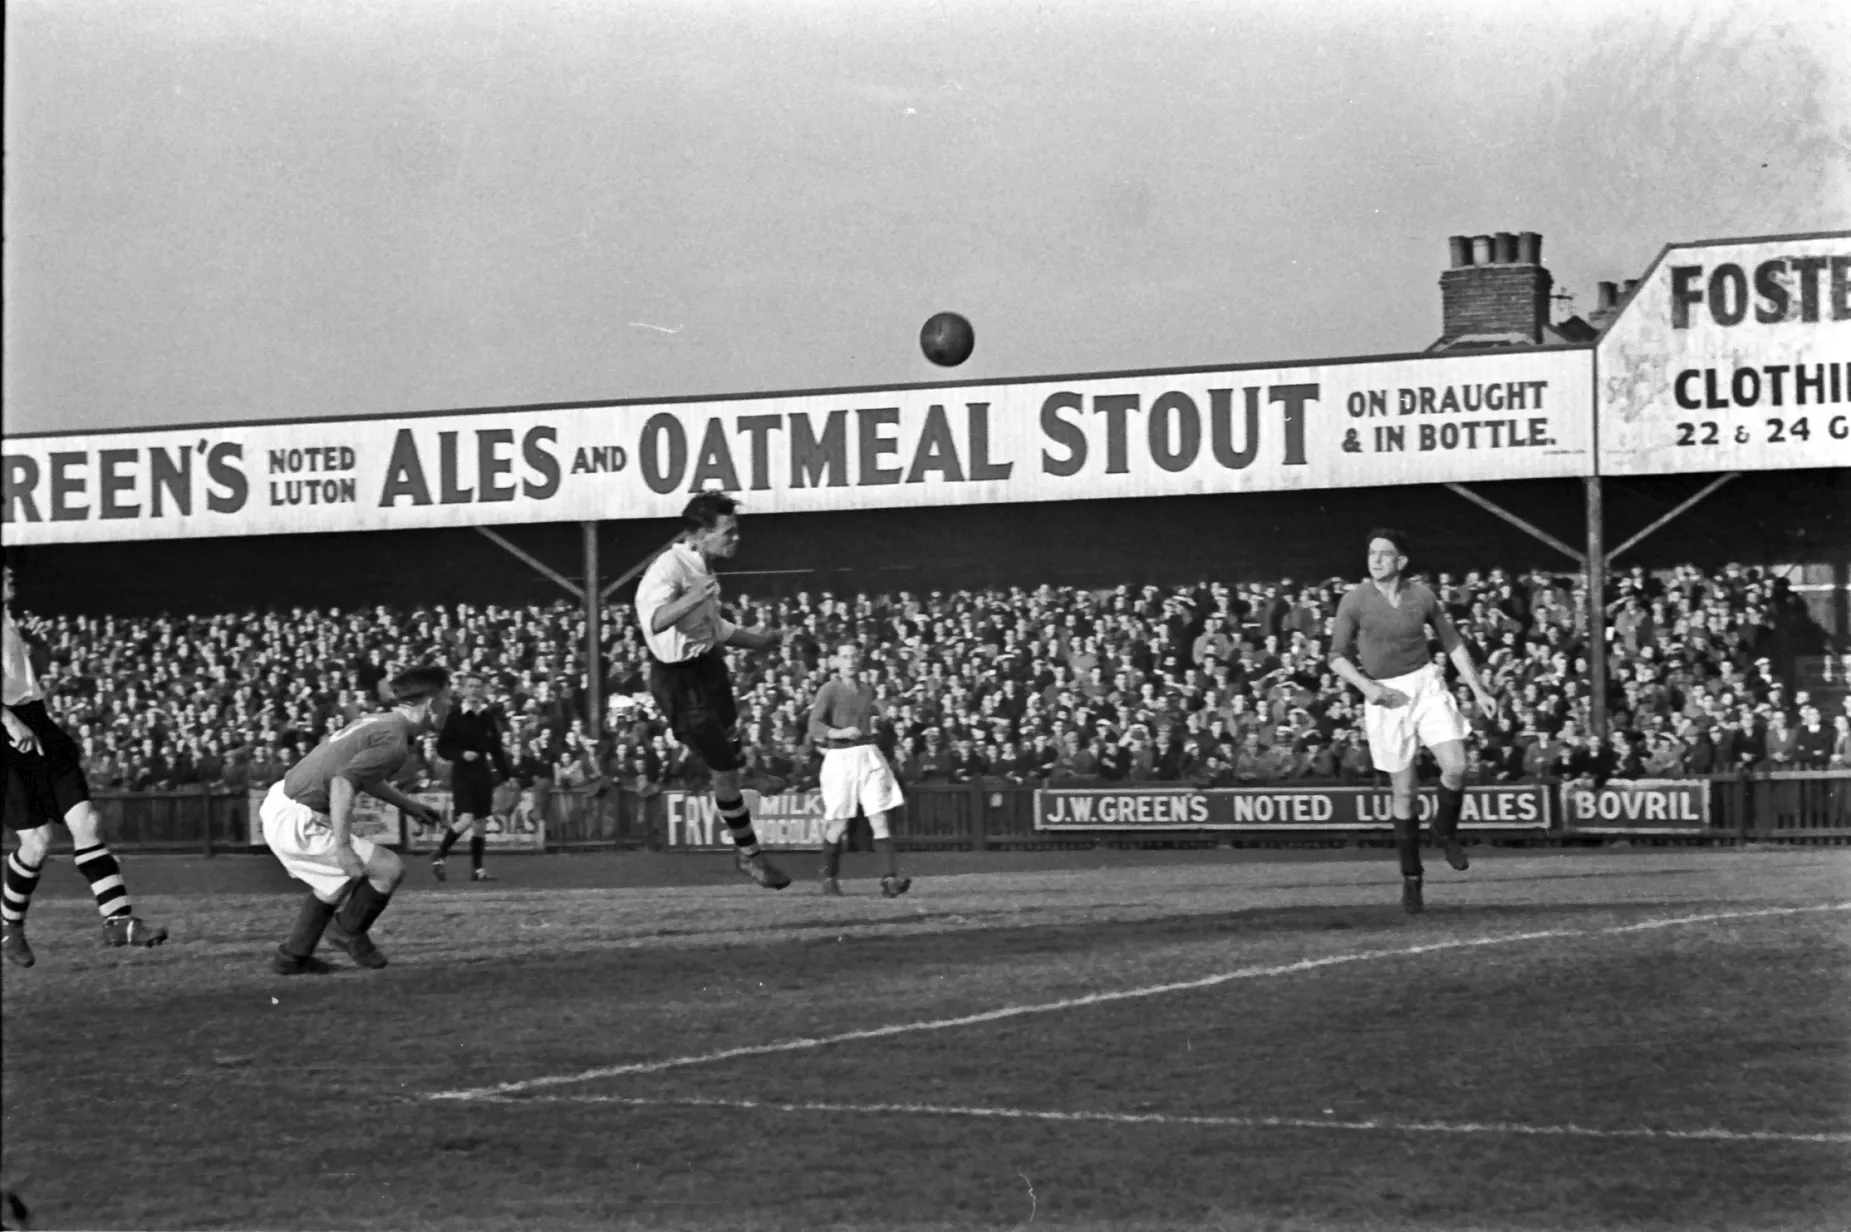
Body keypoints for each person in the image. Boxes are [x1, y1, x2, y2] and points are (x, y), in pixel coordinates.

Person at [2, 558, 167, 967]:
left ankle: (118, 921)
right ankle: (10, 928)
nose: (11, 576)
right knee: (37, 843)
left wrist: (37, 645)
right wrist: (8, 721)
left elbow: (24, 678)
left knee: (87, 822)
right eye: (3, 573)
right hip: (7, 730)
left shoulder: (8, 616)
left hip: (37, 720)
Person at [1329, 529, 1497, 914]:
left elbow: (1452, 643)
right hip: (1385, 697)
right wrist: (1367, 688)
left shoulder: (1421, 595)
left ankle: (1444, 830)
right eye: (1371, 553)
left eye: (1384, 554)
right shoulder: (1354, 601)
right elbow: (1336, 656)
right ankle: (1412, 877)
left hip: (1425, 685)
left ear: (1401, 562)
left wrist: (1479, 689)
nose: (1375, 560)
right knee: (1404, 793)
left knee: (1457, 767)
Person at [634, 491, 795, 890]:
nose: (736, 538)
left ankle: (746, 771)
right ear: (703, 533)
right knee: (722, 768)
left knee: (731, 729)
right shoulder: (668, 570)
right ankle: (750, 856)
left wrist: (757, 641)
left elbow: (716, 628)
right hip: (678, 680)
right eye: (729, 531)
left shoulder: (702, 567)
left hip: (708, 667)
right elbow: (654, 621)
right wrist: (692, 597)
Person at [258, 666, 450, 974]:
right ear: (430, 702)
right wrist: (344, 846)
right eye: (448, 699)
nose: (450, 706)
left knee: (333, 885)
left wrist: (407, 805)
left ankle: (292, 958)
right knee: (388, 869)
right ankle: (347, 930)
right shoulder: (394, 739)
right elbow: (343, 783)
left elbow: (359, 775)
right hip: (298, 815)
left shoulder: (381, 721)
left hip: (285, 802)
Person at [808, 642, 911, 898]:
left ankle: (889, 879)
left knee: (879, 817)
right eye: (845, 657)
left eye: (854, 656)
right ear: (836, 662)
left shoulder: (867, 690)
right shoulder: (829, 689)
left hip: (867, 754)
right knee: (839, 824)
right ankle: (829, 876)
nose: (850, 661)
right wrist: (839, 732)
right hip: (841, 756)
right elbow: (814, 725)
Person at [431, 673, 513, 882]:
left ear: (483, 690)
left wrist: (508, 776)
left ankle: (478, 870)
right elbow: (442, 747)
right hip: (463, 773)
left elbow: (496, 750)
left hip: (482, 772)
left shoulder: (487, 718)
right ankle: (440, 854)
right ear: (463, 690)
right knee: (466, 819)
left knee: (480, 824)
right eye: (471, 686)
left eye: (478, 685)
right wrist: (460, 754)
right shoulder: (455, 716)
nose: (475, 689)